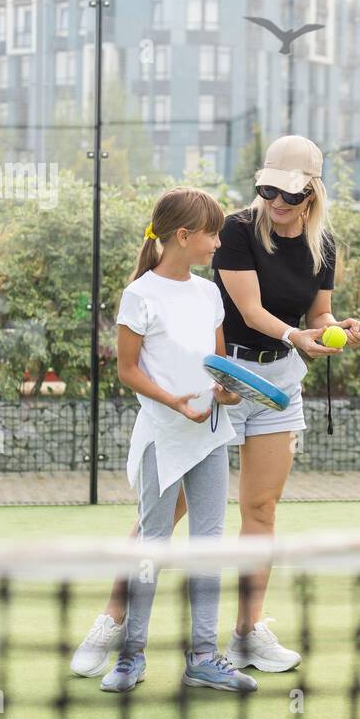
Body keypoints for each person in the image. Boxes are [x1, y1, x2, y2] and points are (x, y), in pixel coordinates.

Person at [71, 136, 360, 678]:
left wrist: (335, 332)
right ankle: (113, 621)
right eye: (267, 190)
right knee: (167, 513)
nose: (277, 203)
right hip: (223, 375)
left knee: (260, 509)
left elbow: (320, 314)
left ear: (312, 194)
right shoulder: (233, 229)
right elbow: (251, 311)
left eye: (289, 195)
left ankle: (246, 633)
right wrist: (299, 335)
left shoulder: (323, 245)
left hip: (280, 380)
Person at [100, 186, 255, 693]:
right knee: (155, 544)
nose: (218, 243)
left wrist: (224, 394)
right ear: (183, 236)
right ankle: (131, 655)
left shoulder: (209, 293)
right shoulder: (139, 294)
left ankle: (204, 657)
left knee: (208, 544)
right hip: (162, 437)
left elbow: (216, 367)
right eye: (212, 233)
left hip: (208, 434)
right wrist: (174, 404)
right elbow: (127, 370)